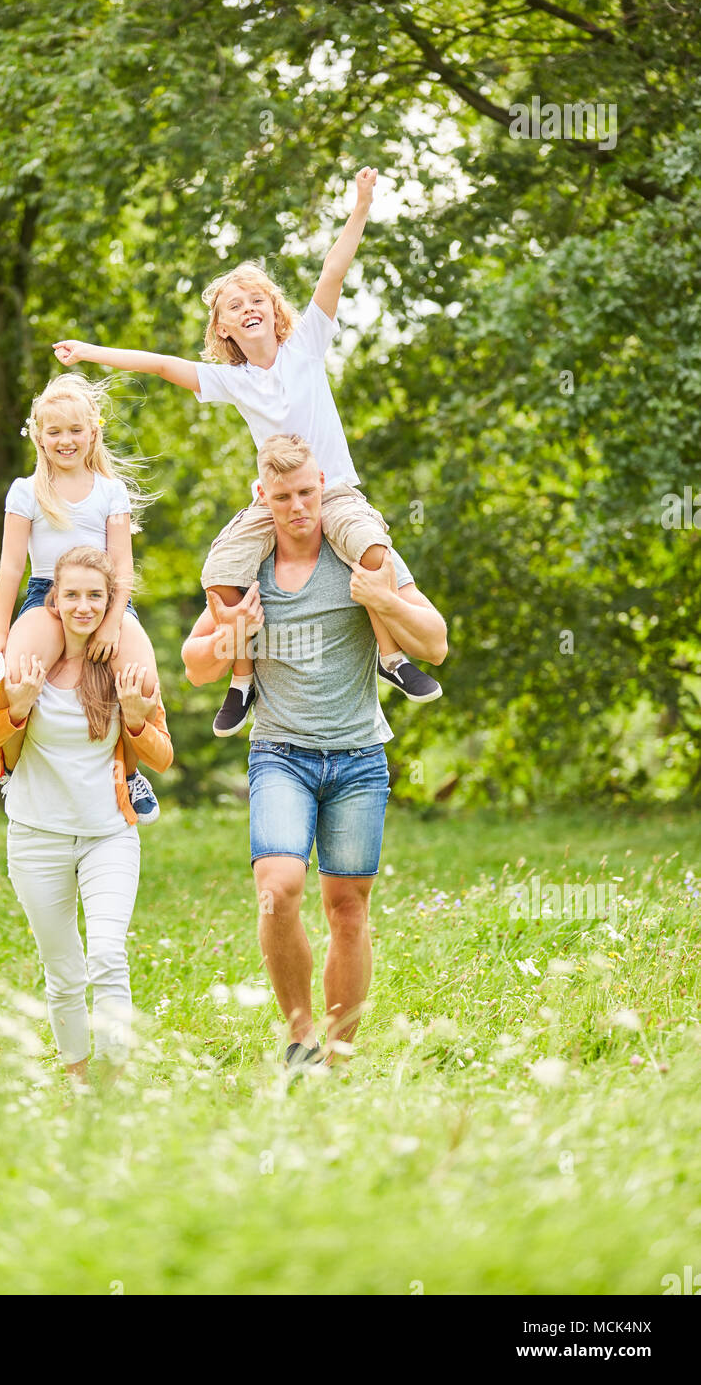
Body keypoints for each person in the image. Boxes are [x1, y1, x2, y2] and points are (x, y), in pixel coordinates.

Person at [52, 166, 442, 740]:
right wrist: (89, 351)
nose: (248, 308)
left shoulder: (306, 344)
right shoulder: (232, 379)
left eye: (256, 298)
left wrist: (360, 206)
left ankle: (390, 657)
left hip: (332, 491)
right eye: (234, 307)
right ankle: (242, 681)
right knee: (222, 570)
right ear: (224, 329)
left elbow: (334, 269)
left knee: (372, 550)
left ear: (275, 309)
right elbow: (162, 365)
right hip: (273, 501)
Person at [181, 436, 448, 1068]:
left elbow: (435, 643)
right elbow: (194, 667)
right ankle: (299, 1033)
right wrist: (231, 636)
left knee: (348, 908)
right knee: (278, 885)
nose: (298, 507)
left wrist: (380, 599)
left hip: (358, 756)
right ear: (261, 497)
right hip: (280, 753)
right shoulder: (248, 566)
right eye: (283, 497)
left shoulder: (357, 553)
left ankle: (339, 1055)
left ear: (322, 485)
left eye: (307, 492)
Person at [0, 546, 173, 1086]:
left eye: (96, 597)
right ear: (54, 599)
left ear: (111, 605)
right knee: (63, 973)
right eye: (73, 595)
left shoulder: (124, 670)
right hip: (37, 838)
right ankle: (80, 1084)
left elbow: (163, 756)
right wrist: (16, 705)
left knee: (107, 955)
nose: (84, 606)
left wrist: (133, 720)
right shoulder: (29, 663)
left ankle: (116, 1079)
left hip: (109, 835)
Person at [0, 371, 161, 823]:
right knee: (19, 673)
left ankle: (132, 770)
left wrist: (112, 620)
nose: (66, 440)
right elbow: (9, 570)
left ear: (93, 432)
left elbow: (121, 569)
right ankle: (12, 764)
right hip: (47, 593)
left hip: (104, 597)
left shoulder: (110, 491)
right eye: (55, 431)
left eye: (76, 430)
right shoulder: (26, 492)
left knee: (138, 673)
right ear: (40, 437)